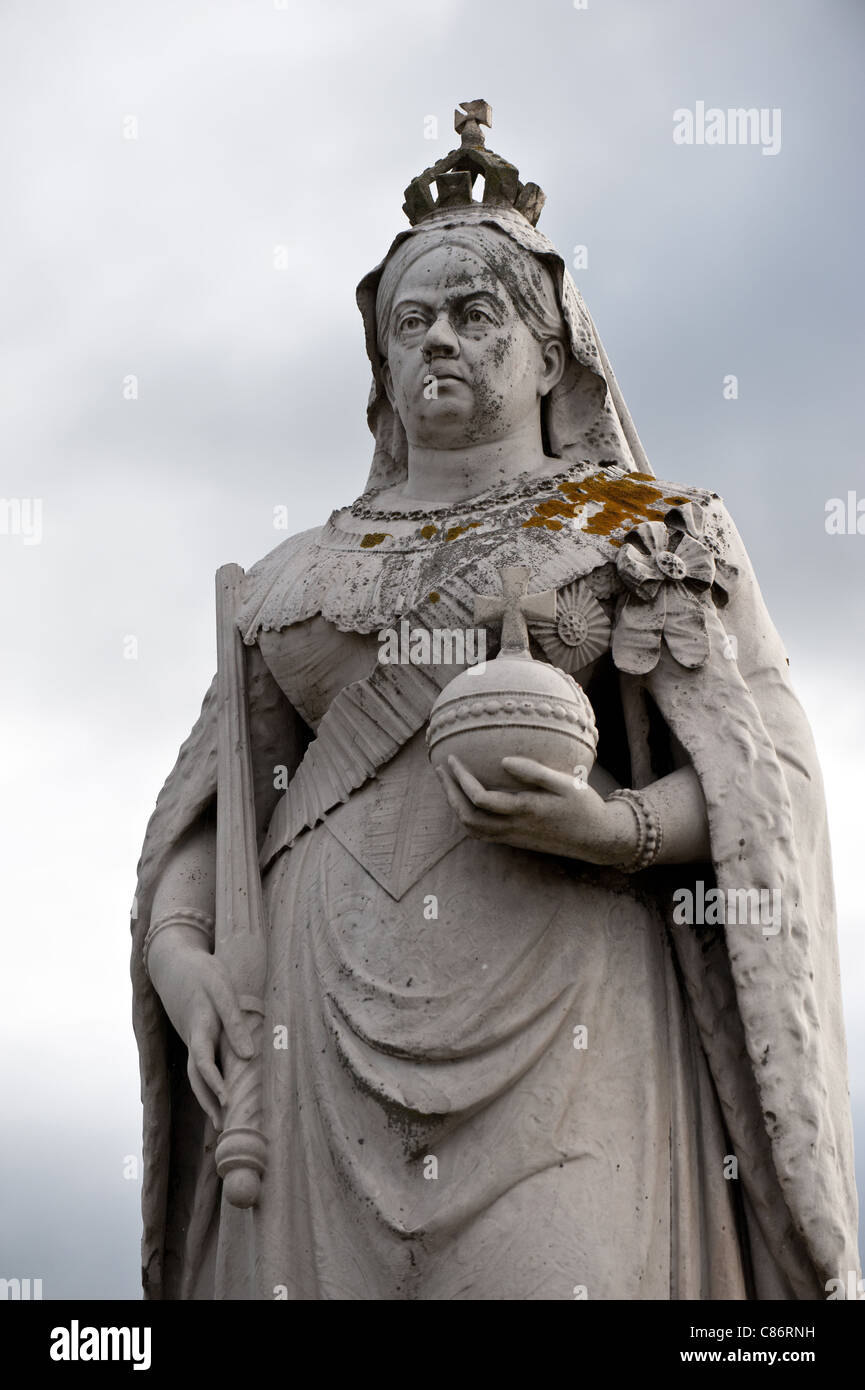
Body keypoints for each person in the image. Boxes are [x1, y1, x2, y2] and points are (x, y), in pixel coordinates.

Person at [132, 104, 859, 1300]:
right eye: (410, 323)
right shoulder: (289, 577)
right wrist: (180, 955)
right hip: (314, 1021)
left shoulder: (645, 527)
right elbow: (212, 816)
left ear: (552, 349)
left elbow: (761, 784)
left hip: (565, 1001)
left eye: (475, 315)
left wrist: (611, 829)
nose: (439, 344)